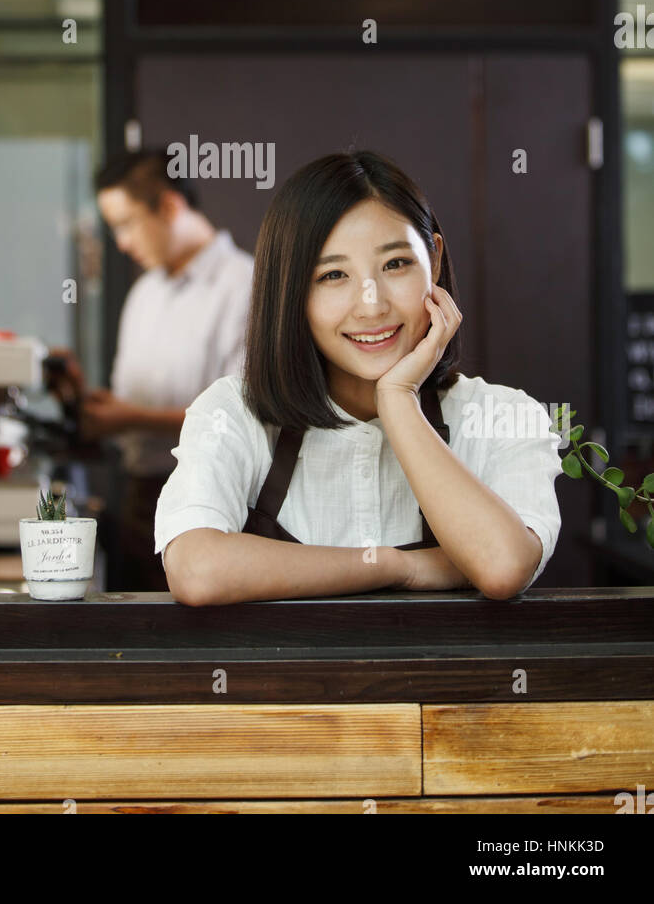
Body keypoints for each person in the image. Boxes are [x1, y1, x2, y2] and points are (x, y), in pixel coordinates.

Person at [156, 149, 564, 606]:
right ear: (290, 289)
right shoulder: (234, 413)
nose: (371, 305)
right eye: (333, 275)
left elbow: (503, 566)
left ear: (434, 259)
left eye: (395, 264)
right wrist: (396, 566)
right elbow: (197, 570)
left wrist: (397, 400)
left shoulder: (503, 416)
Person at [83, 148, 254, 591]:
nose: (121, 243)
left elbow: (246, 415)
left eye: (125, 224)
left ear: (170, 206)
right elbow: (130, 403)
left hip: (213, 503)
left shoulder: (244, 286)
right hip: (137, 498)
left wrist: (130, 418)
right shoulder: (144, 294)